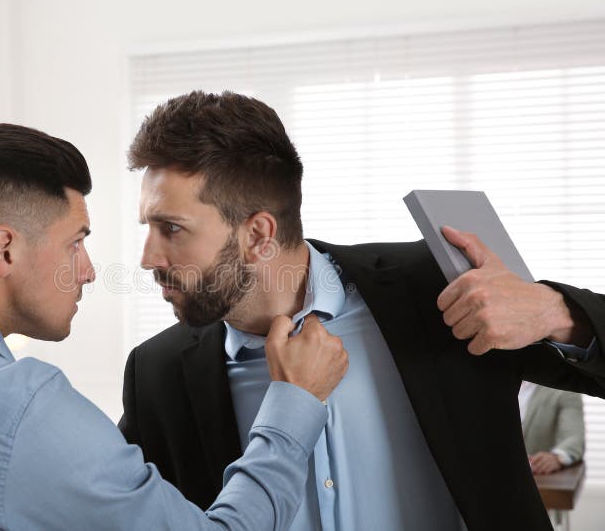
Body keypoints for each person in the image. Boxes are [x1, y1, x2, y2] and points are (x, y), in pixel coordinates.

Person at [0, 123, 349, 530]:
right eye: (76, 242)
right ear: (4, 248)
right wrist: (293, 404)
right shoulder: (25, 414)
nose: (90, 271)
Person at [118, 91, 605, 531]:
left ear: (258, 235)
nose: (147, 257)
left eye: (171, 228)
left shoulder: (435, 285)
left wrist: (554, 312)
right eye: (148, 226)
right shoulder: (157, 374)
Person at [520, 381, 585, 474]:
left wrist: (557, 457)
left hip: (537, 478)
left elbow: (574, 437)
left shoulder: (565, 388)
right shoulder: (495, 382)